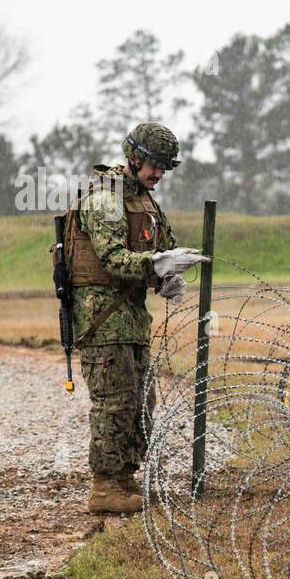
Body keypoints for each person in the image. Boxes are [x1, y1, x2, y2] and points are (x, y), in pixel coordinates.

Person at [64, 122, 208, 513]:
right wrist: (156, 266)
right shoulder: (104, 199)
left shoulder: (144, 200)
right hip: (102, 322)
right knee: (114, 404)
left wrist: (167, 275)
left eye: (165, 167)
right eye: (154, 165)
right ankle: (104, 486)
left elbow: (162, 249)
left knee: (142, 401)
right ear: (134, 158)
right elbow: (113, 260)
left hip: (131, 321)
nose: (159, 174)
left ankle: (125, 479)